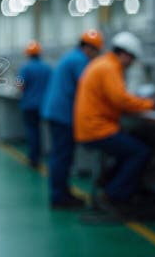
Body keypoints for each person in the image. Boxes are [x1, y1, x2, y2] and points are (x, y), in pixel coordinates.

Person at [74, 31, 155, 209]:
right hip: (97, 129)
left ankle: (109, 185)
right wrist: (151, 104)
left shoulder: (104, 64)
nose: (131, 63)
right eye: (131, 59)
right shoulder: (109, 68)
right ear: (125, 54)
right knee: (139, 152)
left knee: (130, 147)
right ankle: (113, 196)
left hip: (92, 126)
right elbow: (121, 100)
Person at [41, 29, 103, 209]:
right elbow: (88, 87)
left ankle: (61, 193)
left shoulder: (72, 56)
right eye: (96, 52)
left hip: (56, 111)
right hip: (62, 114)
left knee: (61, 156)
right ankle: (59, 198)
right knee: (62, 157)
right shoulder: (80, 61)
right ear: (90, 49)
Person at [17, 41, 52, 169]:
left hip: (28, 104)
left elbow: (19, 85)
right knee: (40, 130)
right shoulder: (47, 68)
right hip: (43, 105)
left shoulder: (24, 68)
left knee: (32, 131)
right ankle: (43, 154)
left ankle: (33, 158)